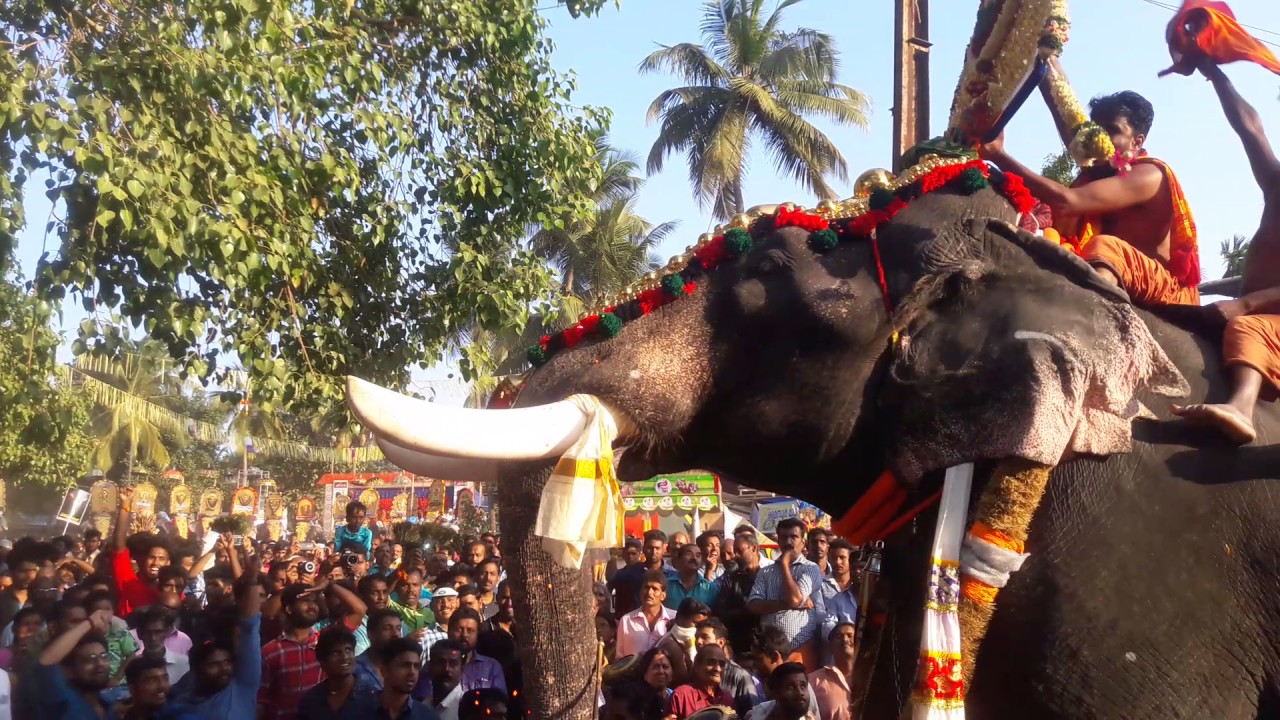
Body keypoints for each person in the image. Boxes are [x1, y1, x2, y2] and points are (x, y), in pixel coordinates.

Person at [982, 87, 1201, 307]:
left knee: (1105, 246)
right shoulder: (1101, 171)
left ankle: (1087, 310)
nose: (1099, 139)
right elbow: (1070, 125)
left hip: (1166, 288)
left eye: (1111, 131)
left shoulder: (1150, 175)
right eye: (1097, 131)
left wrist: (999, 156)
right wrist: (1046, 61)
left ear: (1137, 141)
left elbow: (1068, 202)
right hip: (1108, 268)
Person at [1168, 55, 1280, 444]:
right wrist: (1213, 71)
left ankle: (1240, 409)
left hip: (1267, 322)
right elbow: (1251, 129)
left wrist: (1247, 306)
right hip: (1261, 308)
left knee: (1249, 327)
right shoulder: (1277, 185)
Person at [169, 567, 263, 720]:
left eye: (226, 662)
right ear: (198, 670)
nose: (224, 669)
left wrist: (252, 581)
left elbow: (250, 627)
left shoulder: (243, 685)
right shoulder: (180, 700)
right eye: (214, 664)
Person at [748, 518, 825, 670]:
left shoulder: (810, 569)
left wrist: (784, 564)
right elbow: (753, 605)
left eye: (794, 537)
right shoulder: (766, 572)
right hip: (770, 653)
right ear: (778, 540)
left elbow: (794, 598)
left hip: (800, 648)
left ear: (803, 542)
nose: (788, 541)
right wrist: (785, 605)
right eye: (784, 537)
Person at [25, 608, 113, 719]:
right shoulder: (62, 699)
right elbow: (44, 663)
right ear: (69, 670)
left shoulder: (109, 706)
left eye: (104, 656)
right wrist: (89, 623)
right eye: (90, 659)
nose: (99, 663)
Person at [259, 584, 327, 720]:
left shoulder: (325, 644)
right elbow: (261, 700)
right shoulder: (270, 652)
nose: (312, 606)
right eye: (305, 601)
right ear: (289, 609)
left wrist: (329, 585)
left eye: (314, 601)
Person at [298, 625, 379, 719]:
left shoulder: (373, 697)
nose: (344, 657)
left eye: (348, 650)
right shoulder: (311, 700)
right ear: (322, 661)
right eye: (336, 653)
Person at [113, 488, 172, 616]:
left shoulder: (172, 588)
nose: (156, 563)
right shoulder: (128, 581)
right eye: (152, 557)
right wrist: (125, 505)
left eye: (162, 559)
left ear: (169, 562)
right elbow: (118, 546)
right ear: (143, 559)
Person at [694, 618, 758, 716]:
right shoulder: (694, 670)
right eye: (697, 637)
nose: (698, 642)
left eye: (704, 637)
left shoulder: (739, 676)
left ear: (721, 642)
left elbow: (753, 714)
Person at [715, 532, 762, 664]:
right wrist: (748, 609)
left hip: (763, 644)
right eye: (734, 551)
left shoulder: (769, 575)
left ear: (753, 548)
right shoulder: (731, 580)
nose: (735, 556)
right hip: (738, 645)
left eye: (739, 551)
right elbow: (721, 613)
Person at [610, 530, 673, 617]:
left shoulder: (673, 575)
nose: (654, 552)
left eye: (657, 548)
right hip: (635, 624)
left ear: (663, 550)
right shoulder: (630, 573)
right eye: (650, 548)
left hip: (666, 623)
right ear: (644, 549)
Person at [616, 570, 677, 658]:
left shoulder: (674, 618)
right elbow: (620, 659)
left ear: (663, 596)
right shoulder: (626, 620)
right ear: (640, 592)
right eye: (646, 587)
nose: (649, 593)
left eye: (655, 589)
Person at [377, 637, 440, 719]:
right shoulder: (360, 710)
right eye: (405, 665)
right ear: (384, 670)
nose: (412, 672)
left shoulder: (428, 717)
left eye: (416, 666)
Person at [668, 645, 734, 719]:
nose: (717, 669)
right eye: (711, 663)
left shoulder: (727, 698)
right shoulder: (681, 695)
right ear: (697, 665)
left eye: (721, 664)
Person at [808, 622, 856, 720]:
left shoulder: (871, 679)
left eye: (850, 635)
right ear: (831, 647)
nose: (845, 639)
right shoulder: (813, 680)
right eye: (839, 636)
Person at [132, 606, 190, 685]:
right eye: (148, 633)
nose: (153, 638)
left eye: (158, 632)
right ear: (140, 634)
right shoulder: (132, 665)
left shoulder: (183, 663)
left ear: (168, 632)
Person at [745, 663, 817, 720]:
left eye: (803, 686)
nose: (800, 692)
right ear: (775, 692)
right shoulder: (757, 714)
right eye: (791, 687)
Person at [820, 539, 858, 645]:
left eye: (842, 558)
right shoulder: (821, 585)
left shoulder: (860, 588)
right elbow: (822, 620)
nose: (837, 562)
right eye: (834, 558)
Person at [356, 607, 404, 692]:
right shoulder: (355, 669)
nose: (395, 634)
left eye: (398, 628)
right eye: (387, 628)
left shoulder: (404, 667)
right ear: (371, 634)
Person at [665, 544, 719, 611]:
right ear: (678, 559)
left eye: (698, 556)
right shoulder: (666, 586)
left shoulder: (710, 588)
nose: (694, 558)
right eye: (689, 554)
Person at [421, 639, 465, 718]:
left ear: (462, 670)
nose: (446, 669)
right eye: (440, 662)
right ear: (430, 667)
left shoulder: (467, 709)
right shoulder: (422, 708)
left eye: (453, 664)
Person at [421, 587, 458, 658]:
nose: (446, 605)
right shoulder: (424, 636)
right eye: (439, 601)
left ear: (457, 603)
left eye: (450, 600)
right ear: (431, 606)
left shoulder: (463, 633)